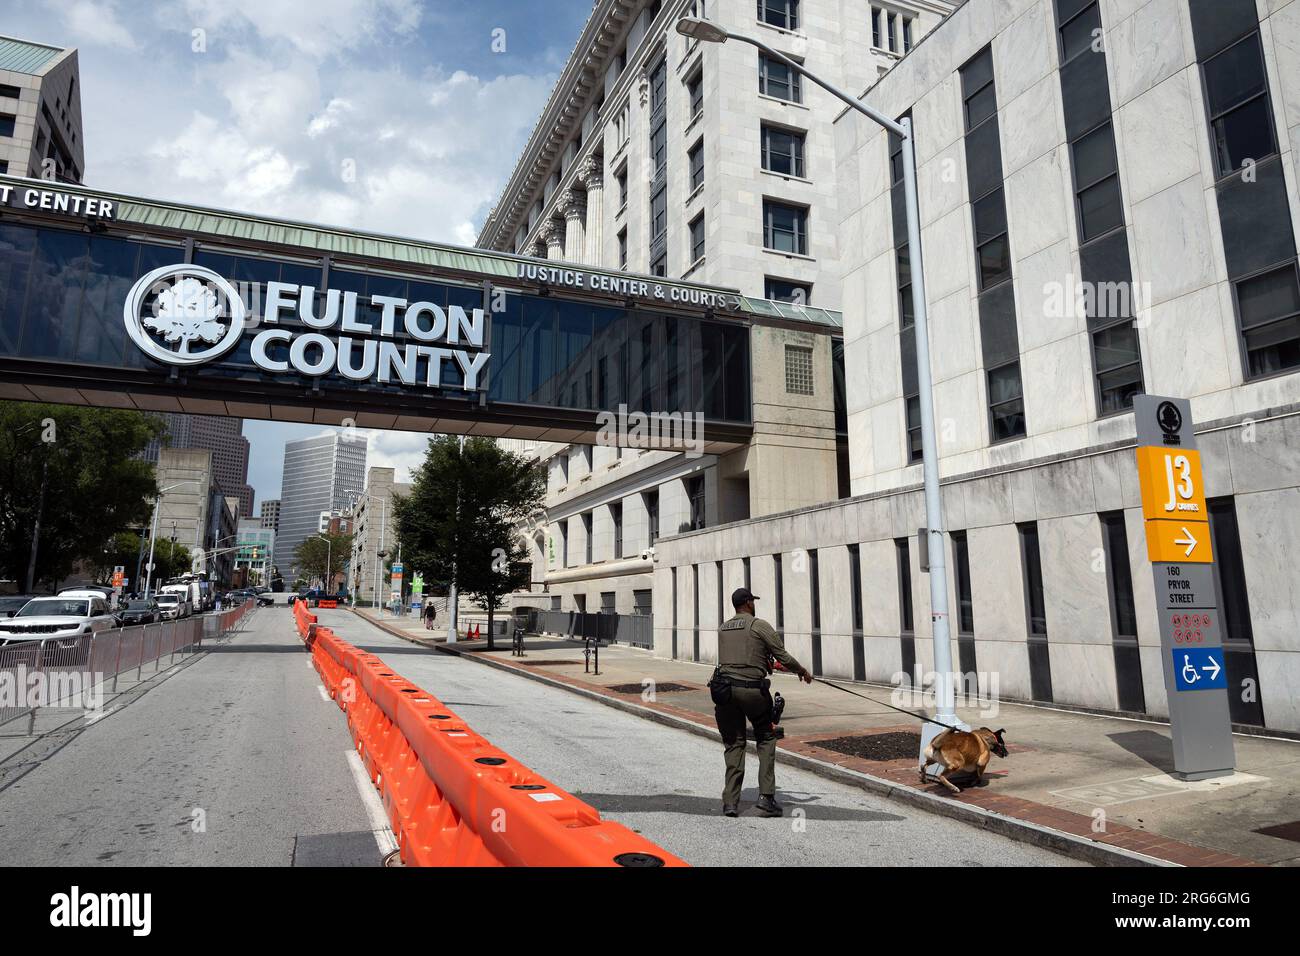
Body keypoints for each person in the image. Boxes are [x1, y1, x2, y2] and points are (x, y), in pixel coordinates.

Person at [709, 587, 812, 818]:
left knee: (734, 744)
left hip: (724, 692)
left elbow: (742, 658)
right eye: (752, 600)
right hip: (752, 692)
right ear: (747, 603)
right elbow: (782, 656)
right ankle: (766, 799)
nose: (754, 604)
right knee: (766, 737)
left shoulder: (723, 628)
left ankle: (730, 802)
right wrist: (803, 671)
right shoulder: (759, 625)